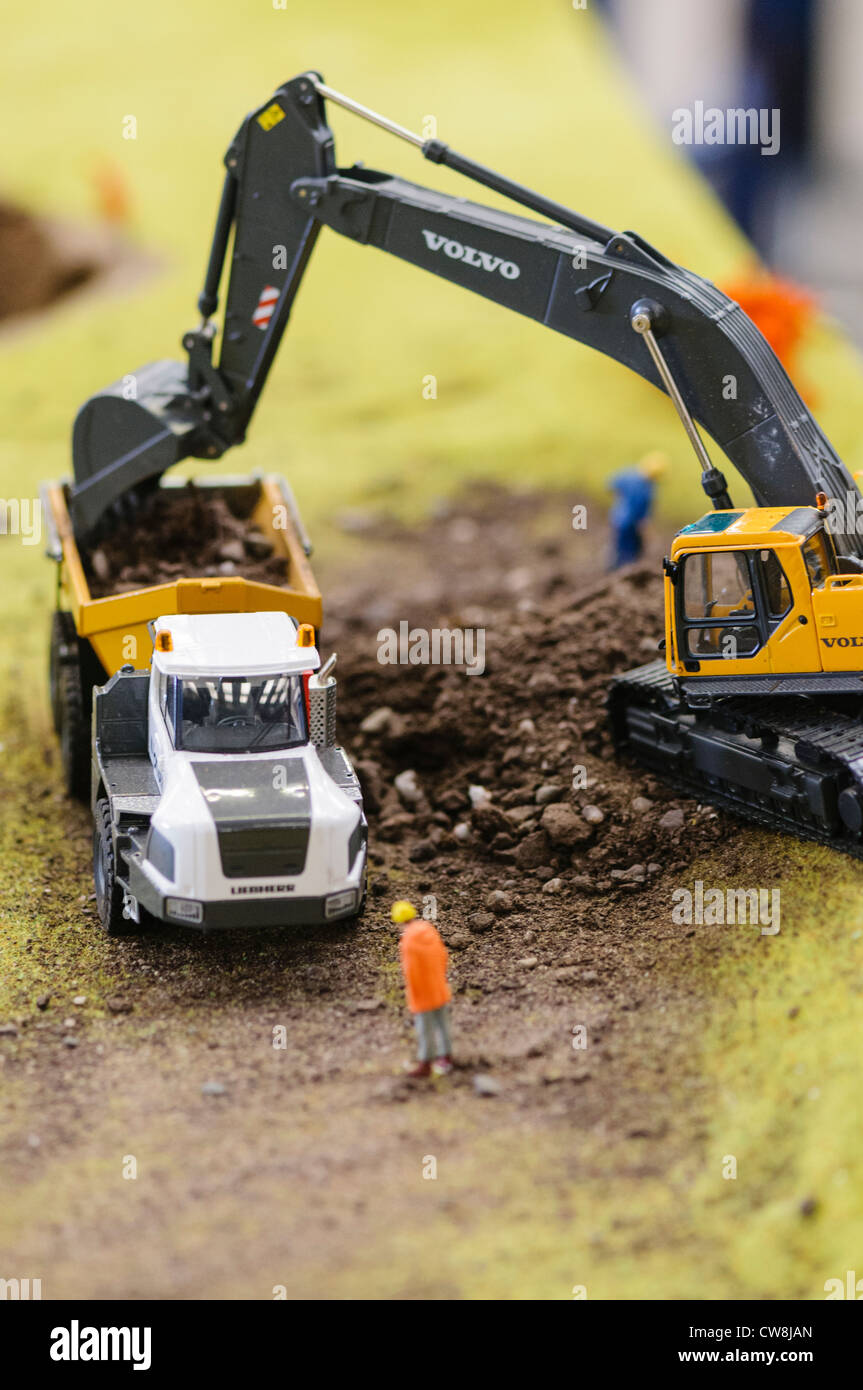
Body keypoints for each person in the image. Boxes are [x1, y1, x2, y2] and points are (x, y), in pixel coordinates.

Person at [391, 900, 453, 1078]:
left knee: (424, 1028)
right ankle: (446, 1056)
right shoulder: (428, 929)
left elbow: (411, 970)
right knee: (442, 1023)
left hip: (423, 992)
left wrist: (414, 992)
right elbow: (443, 955)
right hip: (438, 985)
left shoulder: (408, 940)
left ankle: (425, 1063)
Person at [607, 451, 668, 569]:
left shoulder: (628, 475)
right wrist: (648, 535)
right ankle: (625, 572)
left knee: (618, 547)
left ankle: (613, 568)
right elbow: (643, 518)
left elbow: (611, 485)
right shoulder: (647, 491)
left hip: (617, 517)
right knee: (630, 552)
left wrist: (621, 501)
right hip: (631, 524)